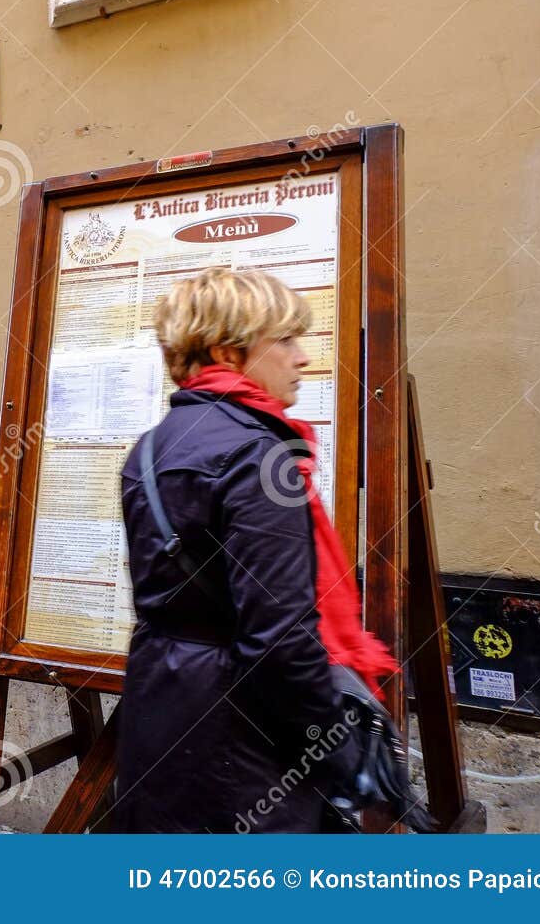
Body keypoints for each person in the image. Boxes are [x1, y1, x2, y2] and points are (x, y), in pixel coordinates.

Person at [113, 267, 396, 833]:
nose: (303, 358)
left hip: (162, 710)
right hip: (241, 742)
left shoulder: (152, 447)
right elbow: (280, 641)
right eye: (285, 340)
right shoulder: (259, 457)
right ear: (227, 351)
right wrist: (334, 750)